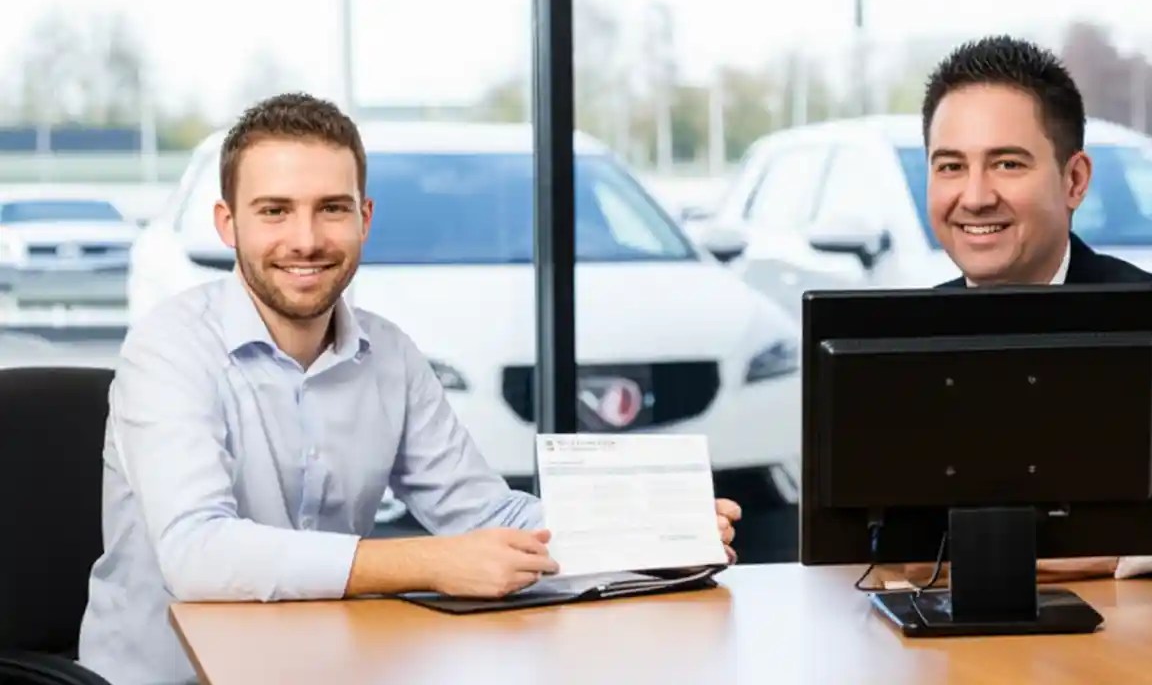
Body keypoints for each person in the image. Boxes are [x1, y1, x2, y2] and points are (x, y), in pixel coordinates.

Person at [77, 93, 743, 684]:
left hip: (323, 668)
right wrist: (428, 562)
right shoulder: (168, 349)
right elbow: (198, 554)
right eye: (274, 211)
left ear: (364, 217)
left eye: (331, 209)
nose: (305, 240)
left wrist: (645, 531)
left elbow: (485, 515)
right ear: (228, 224)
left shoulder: (390, 355)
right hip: (169, 677)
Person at [918, 34, 1152, 582]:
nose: (974, 197)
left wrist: (1122, 551)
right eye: (950, 166)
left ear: (1075, 180)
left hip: (1133, 630)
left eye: (1007, 164)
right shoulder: (902, 336)